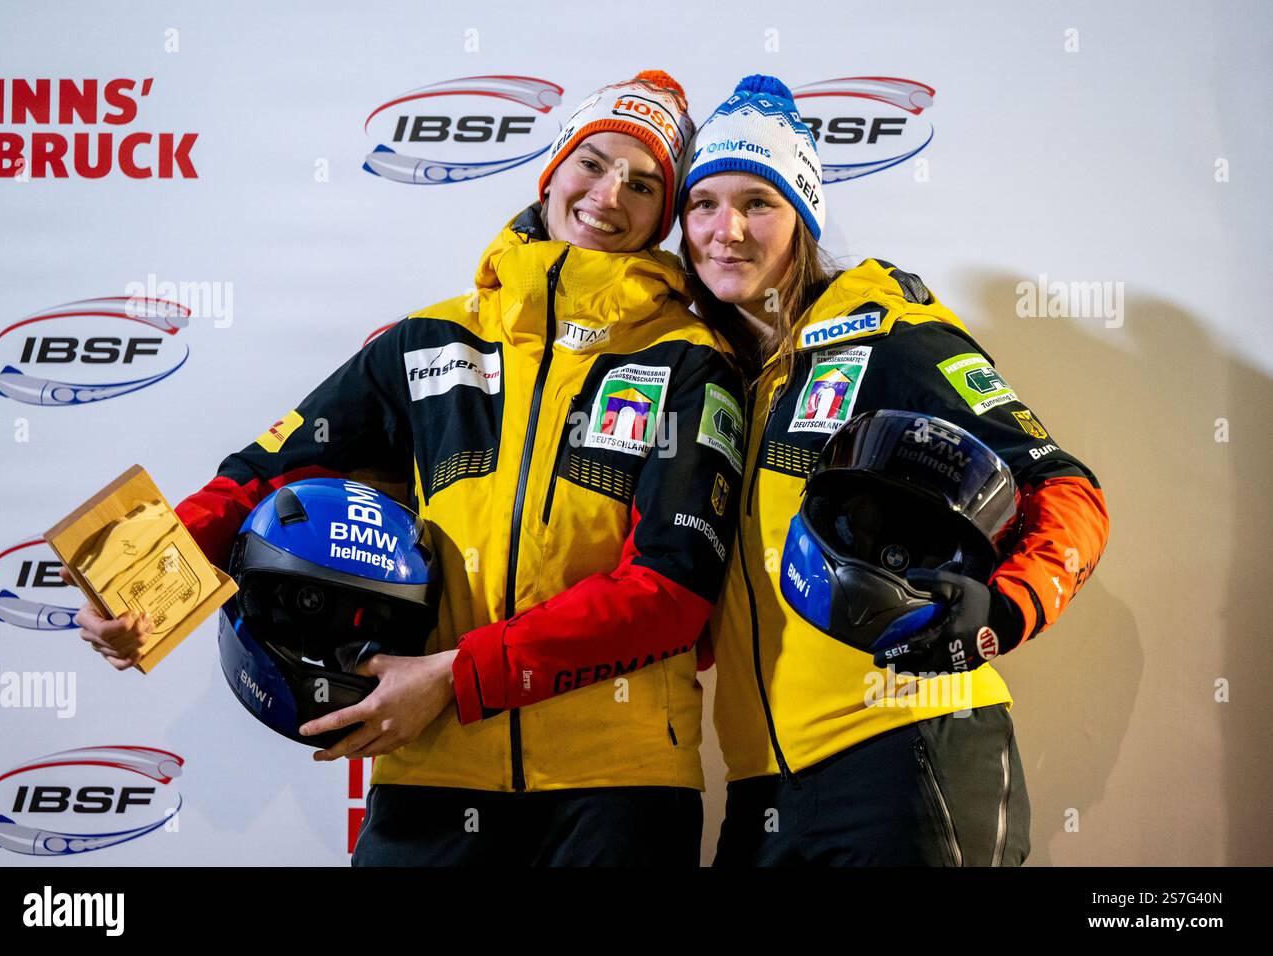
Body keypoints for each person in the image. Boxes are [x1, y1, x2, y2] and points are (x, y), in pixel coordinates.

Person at [68, 71, 746, 866]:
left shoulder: (691, 362)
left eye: (642, 185)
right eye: (592, 162)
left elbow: (671, 592)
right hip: (428, 763)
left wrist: (459, 677)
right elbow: (266, 478)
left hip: (618, 785)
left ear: (663, 219)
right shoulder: (430, 339)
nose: (608, 195)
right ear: (553, 169)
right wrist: (139, 582)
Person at [678, 75, 1111, 866]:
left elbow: (1066, 488)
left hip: (904, 755)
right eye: (703, 204)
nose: (725, 230)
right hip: (763, 790)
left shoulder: (889, 334)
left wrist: (1001, 611)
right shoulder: (722, 384)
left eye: (759, 204)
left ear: (803, 219)